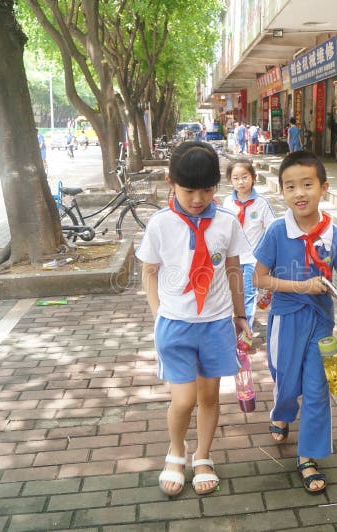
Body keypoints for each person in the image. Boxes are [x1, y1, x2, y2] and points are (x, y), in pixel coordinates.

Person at [136, 141, 251, 498]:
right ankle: (176, 451)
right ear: (171, 182)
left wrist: (240, 314)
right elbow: (149, 271)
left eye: (207, 189)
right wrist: (158, 314)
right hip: (175, 324)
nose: (198, 198)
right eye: (189, 190)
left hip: (216, 324)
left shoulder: (226, 222)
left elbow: (233, 269)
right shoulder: (161, 224)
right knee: (183, 400)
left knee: (210, 397)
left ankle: (202, 455)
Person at [253, 151, 337, 494]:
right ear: (282, 192)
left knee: (318, 388)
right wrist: (300, 286)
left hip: (321, 324)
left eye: (307, 185)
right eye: (290, 187)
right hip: (285, 322)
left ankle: (308, 456)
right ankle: (282, 412)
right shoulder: (276, 231)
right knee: (286, 382)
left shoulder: (333, 234)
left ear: (324, 188)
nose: (299, 193)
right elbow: (260, 278)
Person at [222, 159, 276, 330]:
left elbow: (272, 230)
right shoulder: (227, 203)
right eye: (235, 178)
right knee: (233, 295)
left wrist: (268, 258)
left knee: (248, 296)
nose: (240, 182)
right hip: (231, 259)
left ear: (253, 177)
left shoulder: (261, 203)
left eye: (244, 177)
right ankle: (237, 326)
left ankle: (244, 337)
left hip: (253, 259)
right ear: (230, 180)